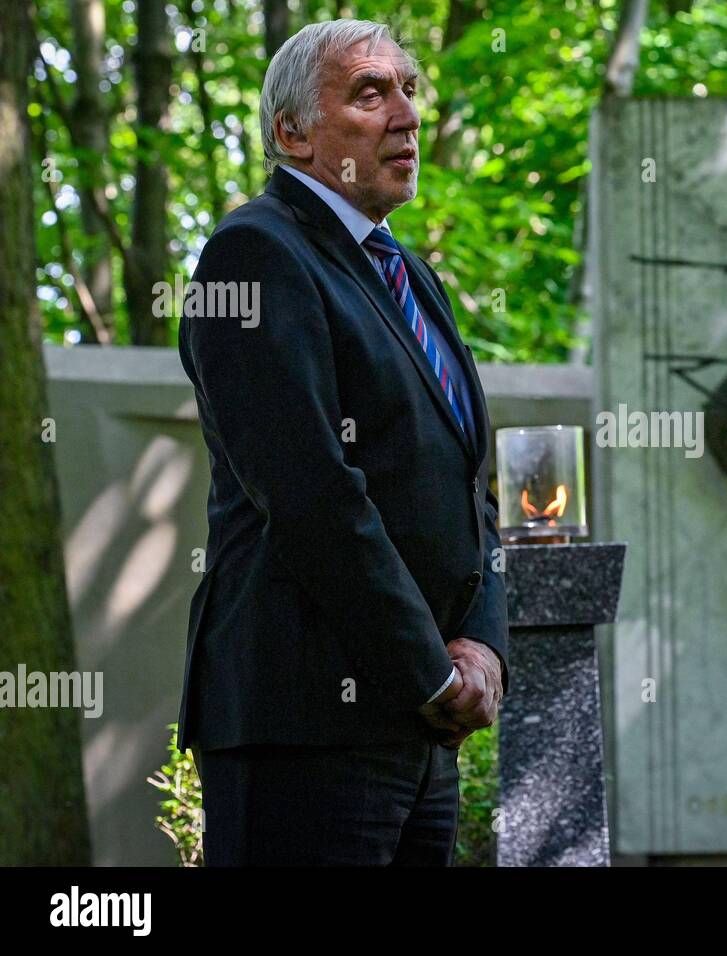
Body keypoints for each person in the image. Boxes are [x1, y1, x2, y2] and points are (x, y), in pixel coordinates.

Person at [175, 19, 508, 865]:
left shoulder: (408, 274)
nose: (406, 114)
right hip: (305, 721)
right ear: (291, 132)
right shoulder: (252, 255)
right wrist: (429, 671)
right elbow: (311, 491)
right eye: (370, 92)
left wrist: (482, 648)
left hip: (416, 728)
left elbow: (472, 486)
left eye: (408, 89)